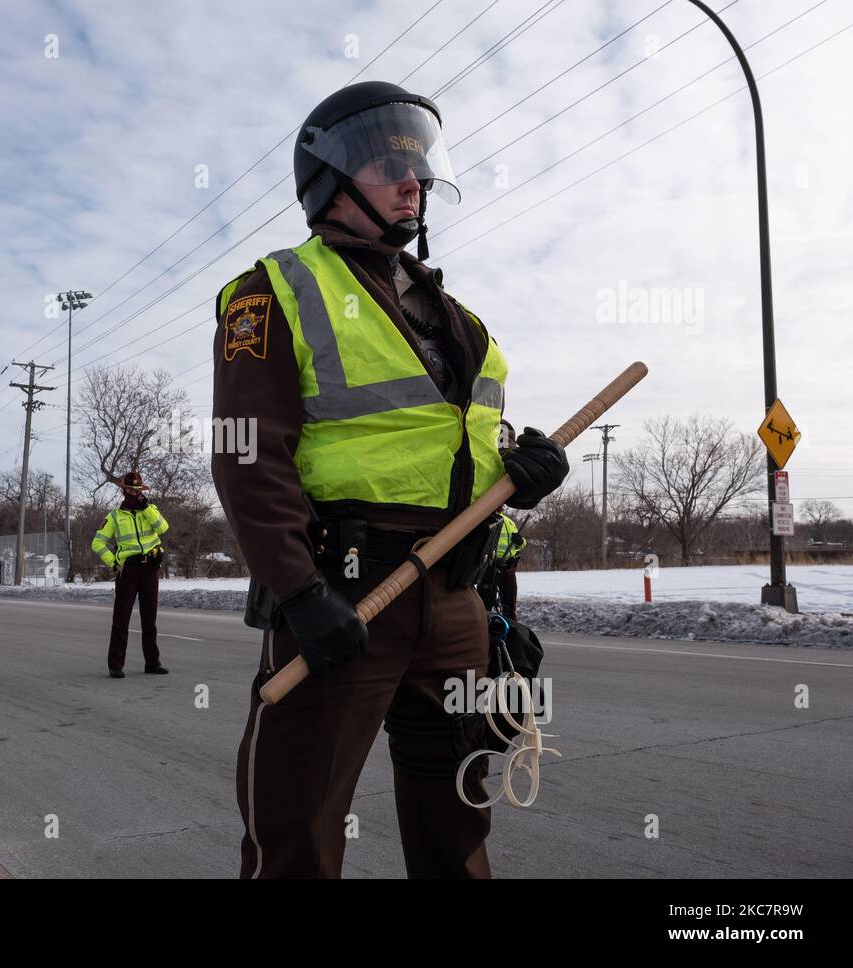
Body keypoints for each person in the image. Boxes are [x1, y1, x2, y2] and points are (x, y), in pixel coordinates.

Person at [212, 81, 568, 878]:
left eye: (419, 168)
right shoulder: (273, 292)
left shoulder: (461, 320)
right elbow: (245, 455)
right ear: (330, 184)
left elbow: (460, 454)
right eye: (386, 165)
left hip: (456, 602)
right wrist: (301, 595)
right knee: (296, 828)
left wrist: (520, 483)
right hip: (344, 595)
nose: (415, 181)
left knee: (459, 824)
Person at [91, 471, 170, 679]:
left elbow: (163, 527)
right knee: (121, 619)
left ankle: (152, 663)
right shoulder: (115, 516)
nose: (134, 493)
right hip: (129, 572)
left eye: (137, 490)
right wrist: (114, 563)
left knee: (149, 620)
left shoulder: (150, 510)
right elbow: (97, 543)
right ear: (123, 490)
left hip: (150, 570)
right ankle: (115, 665)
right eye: (130, 490)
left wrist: (146, 509)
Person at [478, 512, 527, 620]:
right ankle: (484, 629)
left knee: (510, 606)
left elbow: (522, 543)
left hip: (508, 569)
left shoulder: (508, 522)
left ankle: (511, 631)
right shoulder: (483, 520)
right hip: (488, 568)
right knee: (484, 606)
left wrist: (520, 541)